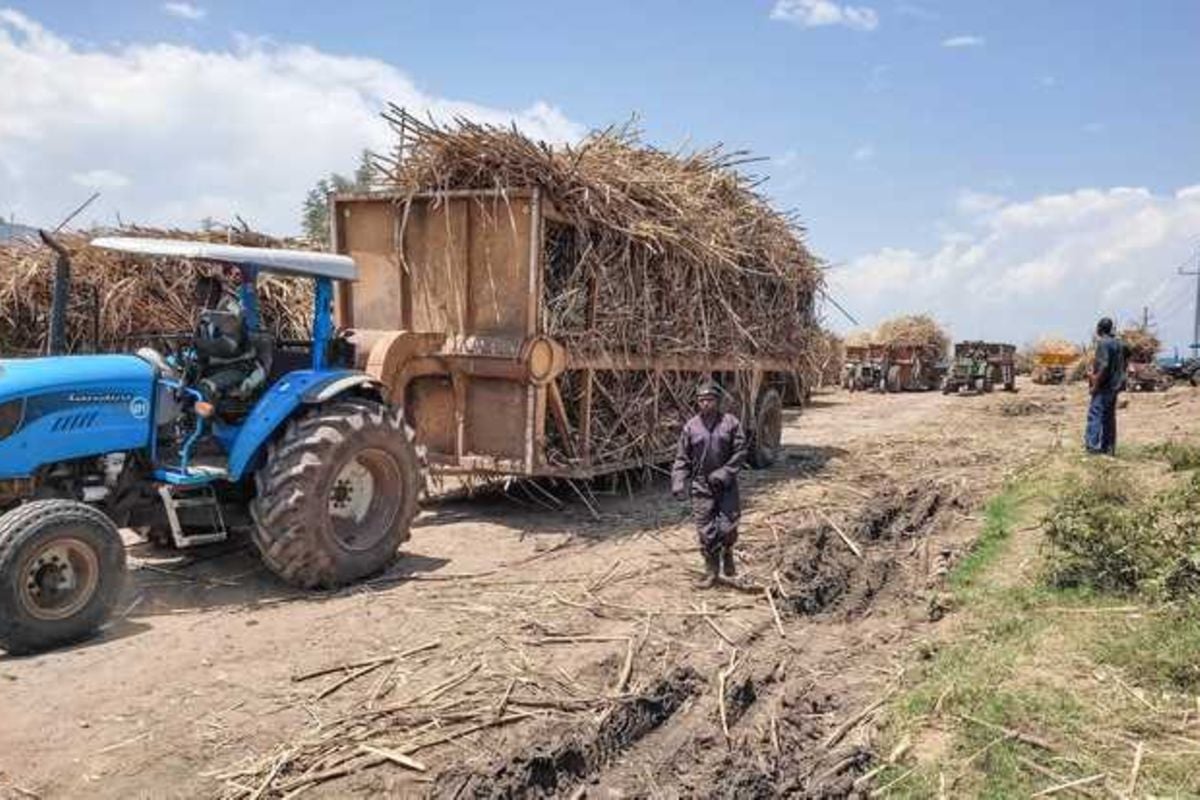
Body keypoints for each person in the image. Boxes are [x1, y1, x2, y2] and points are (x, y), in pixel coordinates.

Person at [671, 380, 748, 588]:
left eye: (710, 400)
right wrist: (679, 481)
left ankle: (728, 551)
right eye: (702, 400)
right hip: (701, 486)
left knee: (728, 527)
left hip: (726, 484)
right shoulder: (691, 427)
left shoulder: (730, 423)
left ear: (718, 401)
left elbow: (741, 452)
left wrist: (725, 473)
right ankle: (711, 572)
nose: (705, 404)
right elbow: (682, 458)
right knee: (706, 530)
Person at [192, 274, 266, 409]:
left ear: (212, 293)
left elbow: (230, 346)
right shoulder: (207, 313)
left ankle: (209, 427)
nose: (197, 298)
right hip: (215, 366)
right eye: (197, 294)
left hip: (239, 367)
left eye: (200, 294)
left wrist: (200, 344)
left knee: (205, 389)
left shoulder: (230, 312)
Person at [1086, 316, 1125, 455]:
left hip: (1104, 386)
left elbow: (1104, 365)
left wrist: (1095, 383)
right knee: (1109, 417)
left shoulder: (1103, 343)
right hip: (1115, 386)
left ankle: (1092, 446)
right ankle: (1109, 448)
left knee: (1095, 414)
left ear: (1099, 329)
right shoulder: (1119, 344)